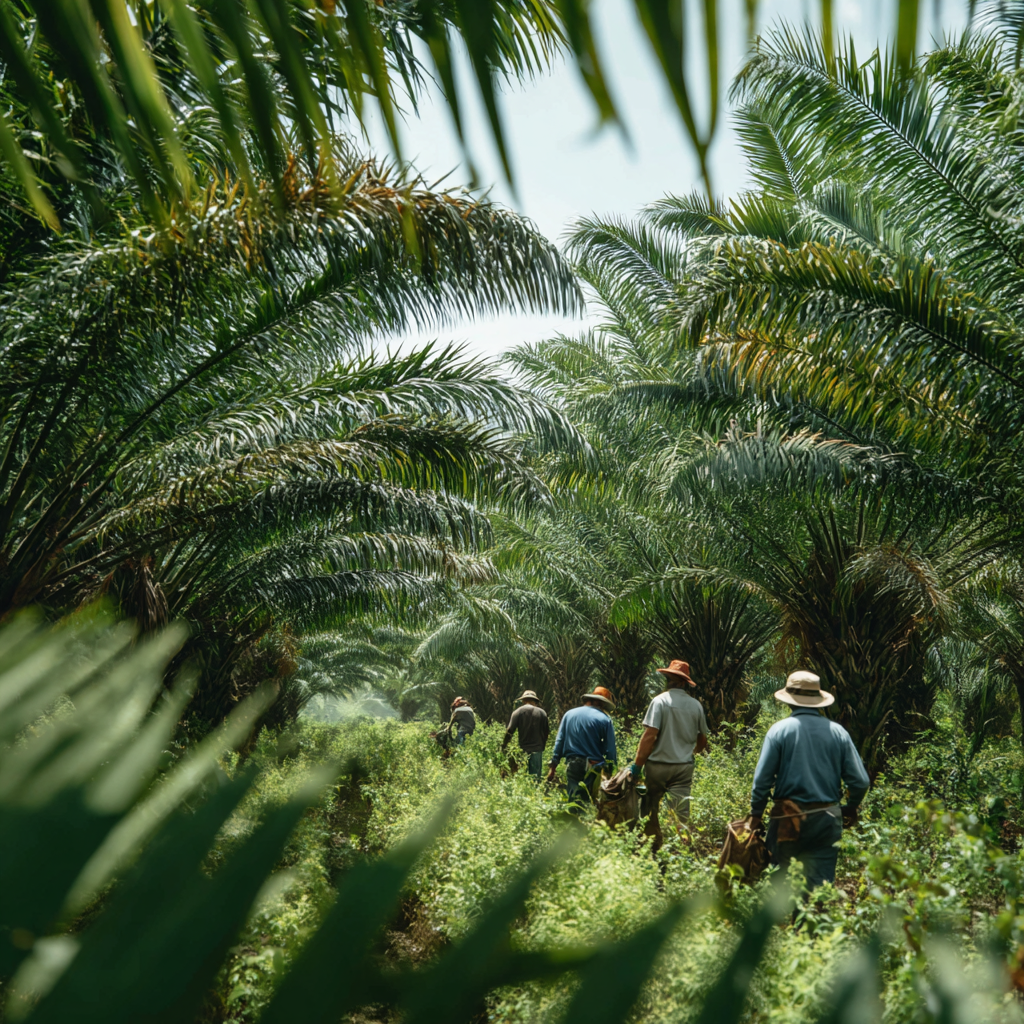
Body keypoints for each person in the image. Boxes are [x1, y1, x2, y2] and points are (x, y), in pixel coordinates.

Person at [749, 670, 870, 892]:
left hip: (788, 819)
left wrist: (756, 814)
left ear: (789, 701)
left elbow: (762, 781)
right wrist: (850, 808)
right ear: (818, 700)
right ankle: (812, 923)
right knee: (819, 887)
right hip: (826, 820)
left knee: (780, 884)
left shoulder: (779, 731)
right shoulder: (838, 732)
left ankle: (785, 924)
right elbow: (860, 782)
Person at [628, 659, 709, 851]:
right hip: (683, 768)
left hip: (657, 767)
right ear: (684, 683)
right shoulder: (696, 706)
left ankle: (650, 848)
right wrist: (690, 753)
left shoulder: (660, 701)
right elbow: (703, 739)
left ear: (671, 681)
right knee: (680, 812)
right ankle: (681, 851)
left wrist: (637, 765)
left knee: (650, 809)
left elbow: (649, 736)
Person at [546, 687, 617, 807]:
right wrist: (611, 770)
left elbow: (560, 741)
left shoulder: (568, 715)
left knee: (573, 801)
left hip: (573, 763)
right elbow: (610, 749)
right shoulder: (605, 719)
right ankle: (588, 823)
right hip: (594, 766)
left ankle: (573, 822)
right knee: (590, 802)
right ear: (599, 702)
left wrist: (553, 766)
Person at [501, 689, 550, 780]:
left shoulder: (518, 712)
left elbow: (509, 731)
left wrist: (504, 745)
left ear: (523, 701)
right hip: (537, 749)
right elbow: (546, 732)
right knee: (535, 779)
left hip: (523, 749)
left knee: (522, 777)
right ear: (535, 701)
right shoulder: (542, 713)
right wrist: (542, 746)